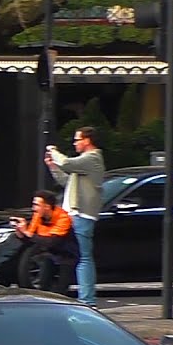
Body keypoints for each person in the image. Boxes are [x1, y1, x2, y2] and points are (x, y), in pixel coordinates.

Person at [45, 126, 104, 306]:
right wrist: (52, 166)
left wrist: (54, 151)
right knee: (67, 255)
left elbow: (67, 164)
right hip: (73, 215)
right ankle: (62, 293)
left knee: (83, 257)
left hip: (82, 215)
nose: (74, 143)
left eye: (77, 140)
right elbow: (65, 180)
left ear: (87, 141)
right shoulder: (84, 164)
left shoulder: (92, 158)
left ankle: (87, 300)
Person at [8, 189, 79, 295]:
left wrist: (26, 232)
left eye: (36, 205)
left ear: (46, 206)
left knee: (61, 292)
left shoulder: (63, 218)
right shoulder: (38, 216)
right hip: (50, 255)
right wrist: (20, 232)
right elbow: (30, 239)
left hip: (67, 256)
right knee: (43, 288)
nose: (34, 208)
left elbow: (52, 242)